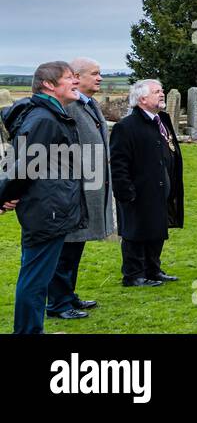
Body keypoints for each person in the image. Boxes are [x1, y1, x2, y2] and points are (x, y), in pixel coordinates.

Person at [1, 61, 88, 334]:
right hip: (46, 209)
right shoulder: (43, 119)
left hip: (49, 205)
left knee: (38, 274)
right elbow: (25, 166)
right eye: (69, 78)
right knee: (36, 277)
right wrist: (6, 196)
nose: (76, 82)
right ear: (49, 85)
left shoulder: (51, 115)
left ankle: (31, 329)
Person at [45, 58, 115, 320]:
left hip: (90, 187)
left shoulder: (89, 103)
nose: (99, 78)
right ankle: (58, 304)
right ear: (77, 76)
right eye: (94, 74)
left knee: (76, 246)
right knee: (67, 247)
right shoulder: (69, 107)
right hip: (74, 189)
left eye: (101, 73)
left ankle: (68, 295)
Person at [110, 79, 184, 287]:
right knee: (136, 232)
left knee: (156, 229)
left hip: (160, 186)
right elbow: (118, 163)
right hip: (138, 189)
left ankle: (153, 269)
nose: (162, 94)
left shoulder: (162, 120)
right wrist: (127, 192)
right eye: (156, 92)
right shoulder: (126, 127)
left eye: (162, 91)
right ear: (142, 98)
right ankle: (134, 275)